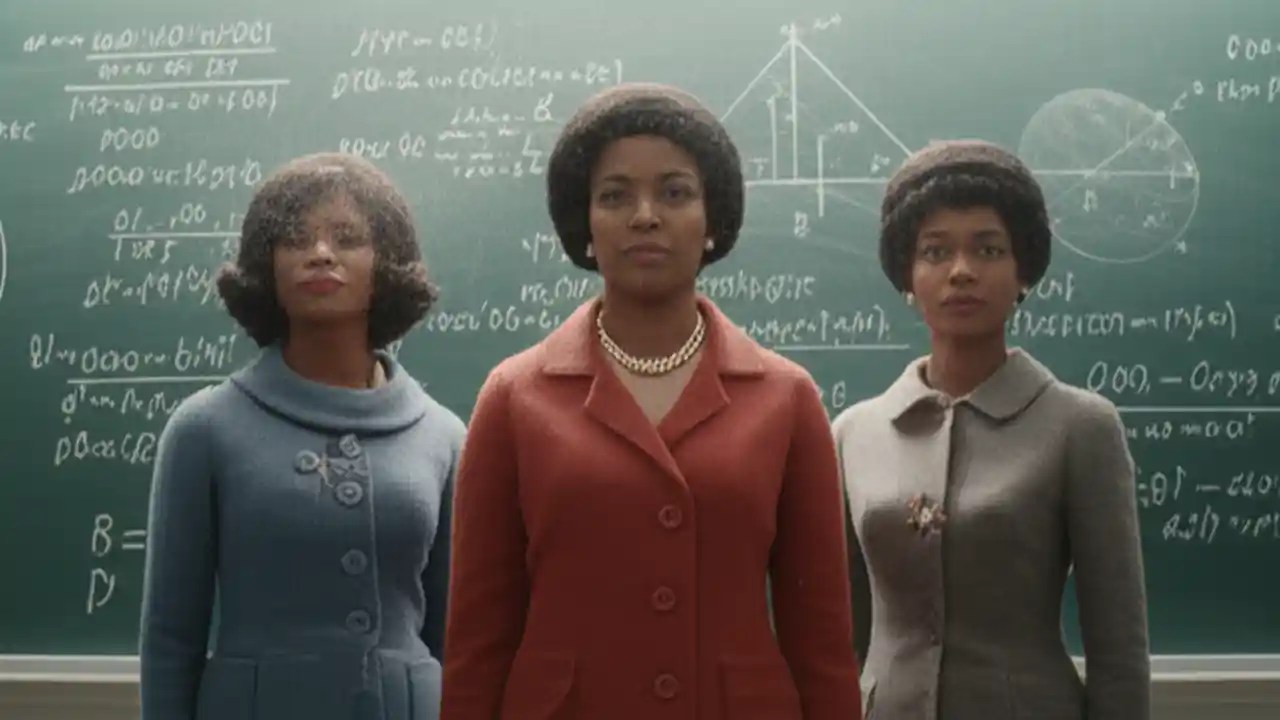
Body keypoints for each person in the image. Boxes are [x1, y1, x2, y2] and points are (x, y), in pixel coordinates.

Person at [440, 82, 862, 720]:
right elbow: (479, 643)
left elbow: (822, 646)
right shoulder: (514, 397)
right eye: (615, 196)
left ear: (711, 219)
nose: (644, 215)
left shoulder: (787, 398)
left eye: (674, 192)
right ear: (584, 223)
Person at [138, 152, 465, 720]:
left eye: (347, 237)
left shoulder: (444, 435)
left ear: (385, 264)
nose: (320, 253)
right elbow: (171, 640)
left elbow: (455, 635)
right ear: (266, 266)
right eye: (295, 238)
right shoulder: (205, 428)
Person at [833, 139, 1150, 719]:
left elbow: (1119, 652)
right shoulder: (854, 433)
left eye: (988, 249)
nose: (961, 272)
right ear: (907, 274)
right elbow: (839, 638)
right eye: (934, 252)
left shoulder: (1080, 427)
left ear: (1022, 270)